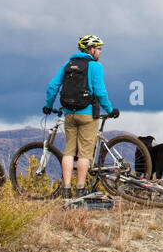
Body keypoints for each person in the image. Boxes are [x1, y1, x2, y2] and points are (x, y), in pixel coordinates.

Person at [44, 34, 119, 198]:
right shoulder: (95, 67)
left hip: (69, 113)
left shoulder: (68, 64)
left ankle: (65, 189)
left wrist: (48, 106)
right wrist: (110, 109)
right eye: (98, 49)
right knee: (85, 153)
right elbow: (100, 92)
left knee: (69, 152)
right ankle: (80, 189)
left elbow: (52, 86)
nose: (100, 52)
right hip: (88, 114)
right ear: (91, 50)